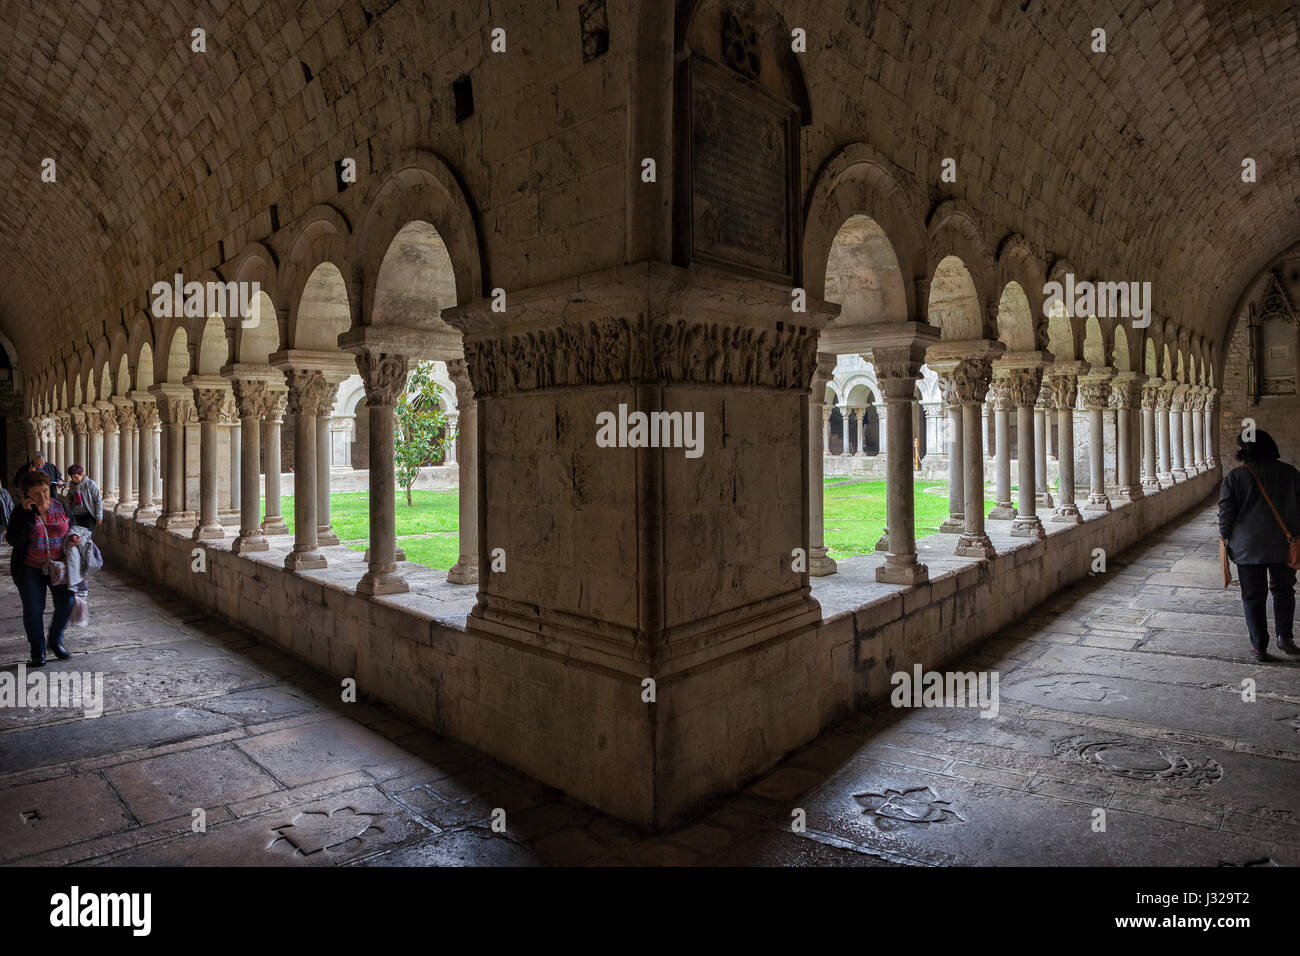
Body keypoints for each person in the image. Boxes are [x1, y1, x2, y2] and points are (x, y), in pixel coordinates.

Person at [1218, 428, 1300, 662]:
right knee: (1283, 591)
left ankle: (1259, 646)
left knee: (1253, 596)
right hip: (1284, 544)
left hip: (1247, 547)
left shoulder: (1235, 477)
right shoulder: (1290, 472)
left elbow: (1226, 513)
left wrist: (1226, 538)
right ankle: (1285, 637)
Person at [7, 470, 78, 665]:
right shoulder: (20, 512)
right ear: (27, 495)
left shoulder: (61, 507)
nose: (43, 497)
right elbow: (14, 540)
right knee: (33, 609)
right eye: (36, 494)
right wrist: (27, 515)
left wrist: (73, 538)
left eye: (45, 491)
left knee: (67, 603)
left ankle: (55, 640)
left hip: (59, 566)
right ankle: (37, 650)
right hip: (30, 568)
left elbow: (72, 527)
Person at [61, 464, 102, 531]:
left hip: (88, 515)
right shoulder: (72, 484)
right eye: (72, 478)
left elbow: (98, 500)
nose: (74, 480)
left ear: (82, 474)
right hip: (75, 514)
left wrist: (99, 516)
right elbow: (69, 496)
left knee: (87, 536)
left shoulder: (90, 484)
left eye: (76, 477)